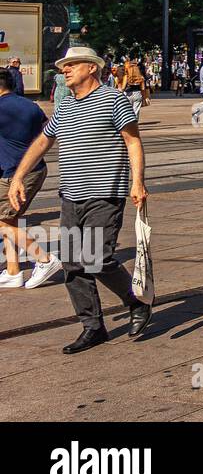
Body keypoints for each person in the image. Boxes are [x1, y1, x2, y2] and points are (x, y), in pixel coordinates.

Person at [6, 47, 152, 353]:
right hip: (71, 196)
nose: (65, 70)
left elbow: (132, 141)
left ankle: (136, 301)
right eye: (63, 66)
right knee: (73, 264)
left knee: (96, 258)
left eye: (71, 65)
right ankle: (93, 327)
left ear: (91, 68)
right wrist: (18, 177)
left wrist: (137, 182)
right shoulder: (65, 107)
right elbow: (43, 142)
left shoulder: (114, 99)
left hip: (104, 194)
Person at [0, 69, 61, 289]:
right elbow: (45, 131)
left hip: (16, 173)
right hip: (33, 169)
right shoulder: (30, 106)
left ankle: (44, 259)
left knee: (2, 222)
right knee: (9, 220)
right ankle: (13, 271)